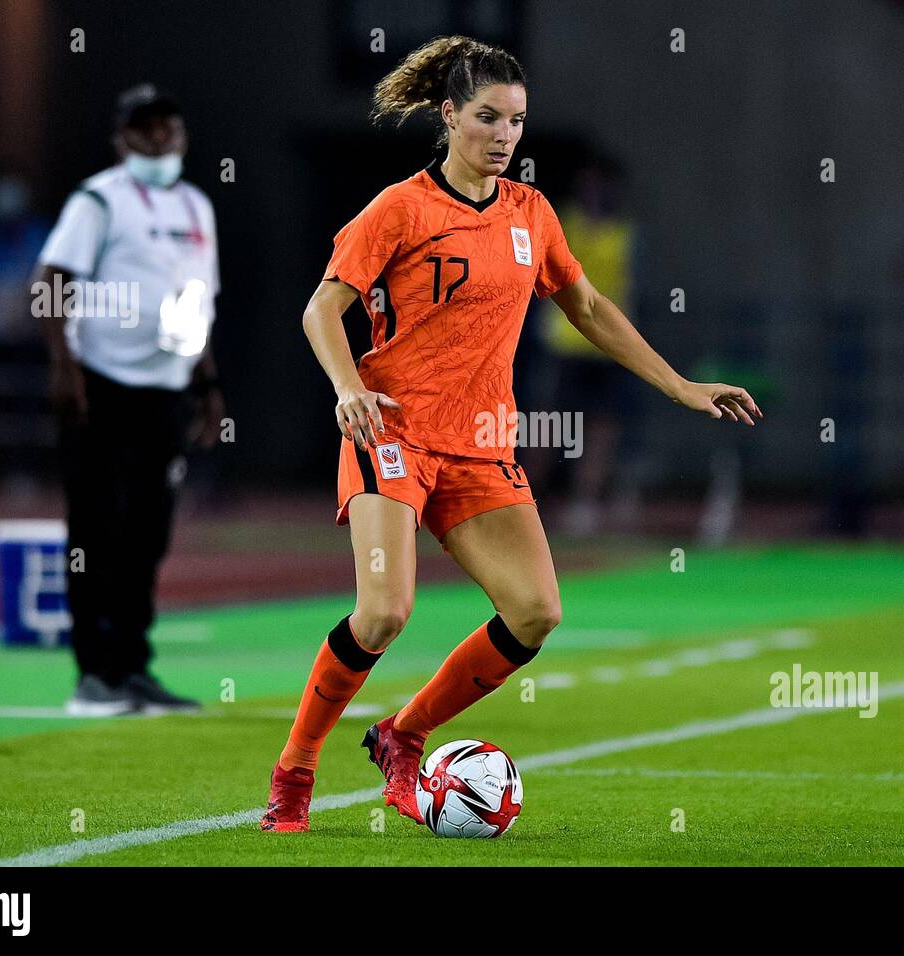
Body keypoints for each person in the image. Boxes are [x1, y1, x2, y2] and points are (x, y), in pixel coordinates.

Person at [262, 37, 761, 832]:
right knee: (383, 613)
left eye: (517, 122)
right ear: (448, 114)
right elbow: (322, 309)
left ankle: (404, 736)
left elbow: (589, 309)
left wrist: (679, 386)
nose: (503, 136)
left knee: (535, 612)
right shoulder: (400, 208)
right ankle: (294, 772)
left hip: (481, 442)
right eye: (487, 117)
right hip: (390, 429)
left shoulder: (532, 213)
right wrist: (348, 388)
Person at [32, 84, 225, 717]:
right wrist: (65, 369)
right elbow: (53, 280)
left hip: (166, 390)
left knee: (149, 531)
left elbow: (199, 301)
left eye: (169, 128)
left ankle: (133, 667)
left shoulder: (198, 205)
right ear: (122, 140)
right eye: (145, 130)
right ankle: (94, 673)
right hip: (103, 385)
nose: (159, 139)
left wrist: (206, 385)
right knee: (95, 527)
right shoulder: (99, 199)